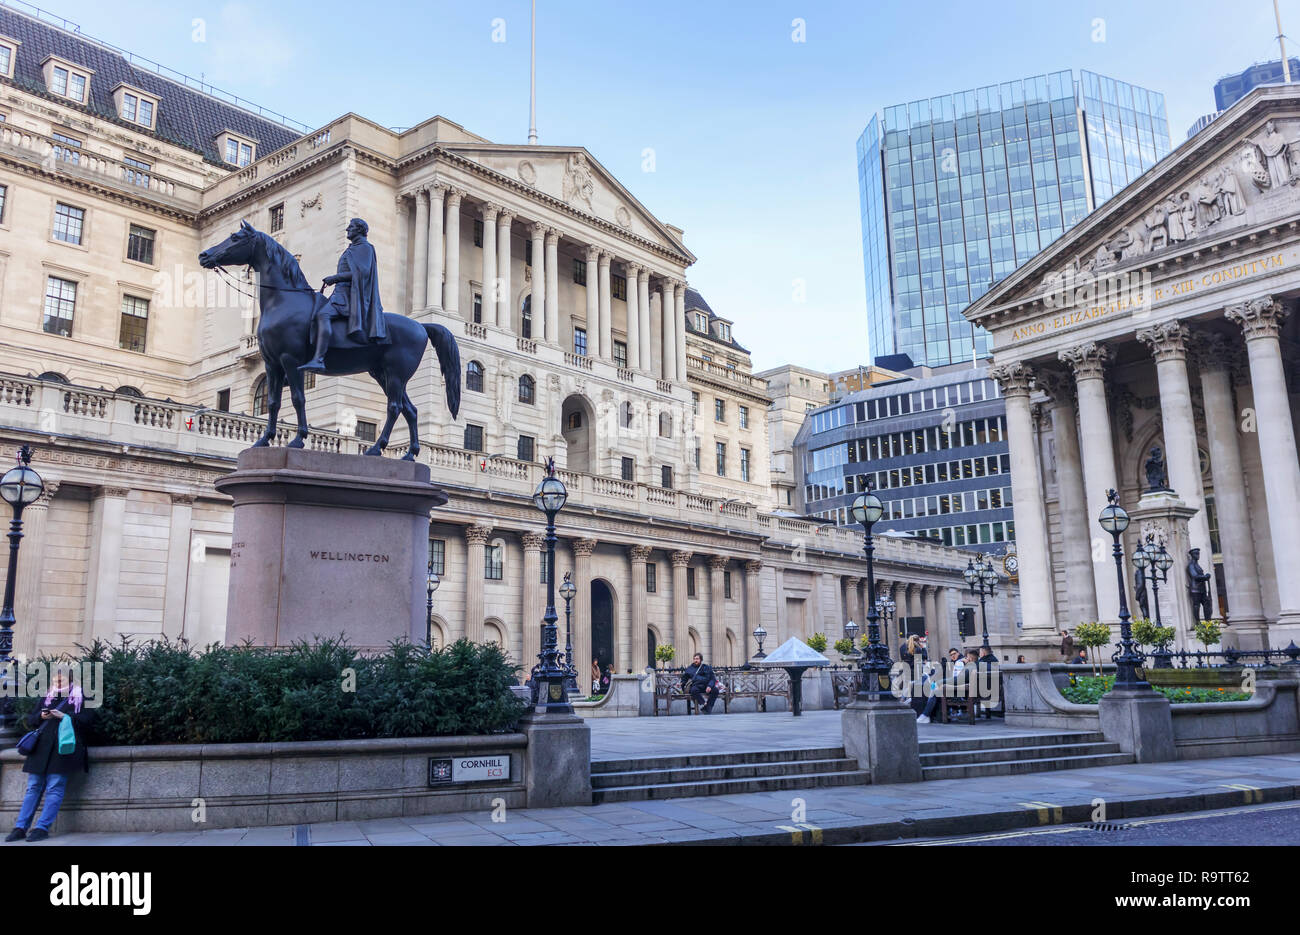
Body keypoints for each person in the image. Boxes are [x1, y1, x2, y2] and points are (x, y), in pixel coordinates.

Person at [7, 667, 93, 843]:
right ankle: (20, 827)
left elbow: (88, 721)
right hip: (41, 749)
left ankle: (41, 828)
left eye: (60, 681)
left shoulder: (82, 696)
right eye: (55, 680)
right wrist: (41, 716)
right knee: (33, 788)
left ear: (71, 680)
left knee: (55, 787)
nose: (57, 684)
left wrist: (65, 716)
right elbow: (31, 720)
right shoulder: (48, 696)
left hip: (64, 748)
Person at [299, 217, 388, 372]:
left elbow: (362, 273)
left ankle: (319, 359)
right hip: (340, 293)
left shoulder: (364, 247)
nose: (347, 229)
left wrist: (335, 278)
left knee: (322, 316)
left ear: (359, 230)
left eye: (351, 227)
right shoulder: (352, 248)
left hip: (348, 296)